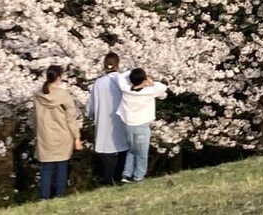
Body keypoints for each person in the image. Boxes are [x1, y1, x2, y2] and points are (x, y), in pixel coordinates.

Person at [33, 66, 81, 201]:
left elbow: (35, 118)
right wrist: (77, 138)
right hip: (62, 136)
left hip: (45, 137)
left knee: (46, 168)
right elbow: (70, 119)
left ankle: (44, 196)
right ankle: (59, 195)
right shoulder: (63, 96)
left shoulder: (38, 96)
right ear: (59, 77)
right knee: (61, 167)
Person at [117, 67, 168, 183]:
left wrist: (131, 72)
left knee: (131, 150)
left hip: (128, 125)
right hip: (141, 126)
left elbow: (120, 77)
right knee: (142, 152)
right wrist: (151, 82)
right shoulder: (147, 92)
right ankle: (138, 176)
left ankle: (126, 174)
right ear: (143, 80)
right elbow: (162, 87)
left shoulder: (126, 90)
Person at [85, 52, 127, 186]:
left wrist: (90, 113)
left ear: (104, 65)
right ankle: (120, 177)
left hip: (104, 121)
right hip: (122, 120)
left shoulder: (98, 83)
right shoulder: (123, 80)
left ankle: (108, 181)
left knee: (107, 152)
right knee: (123, 148)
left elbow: (91, 105)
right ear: (118, 64)